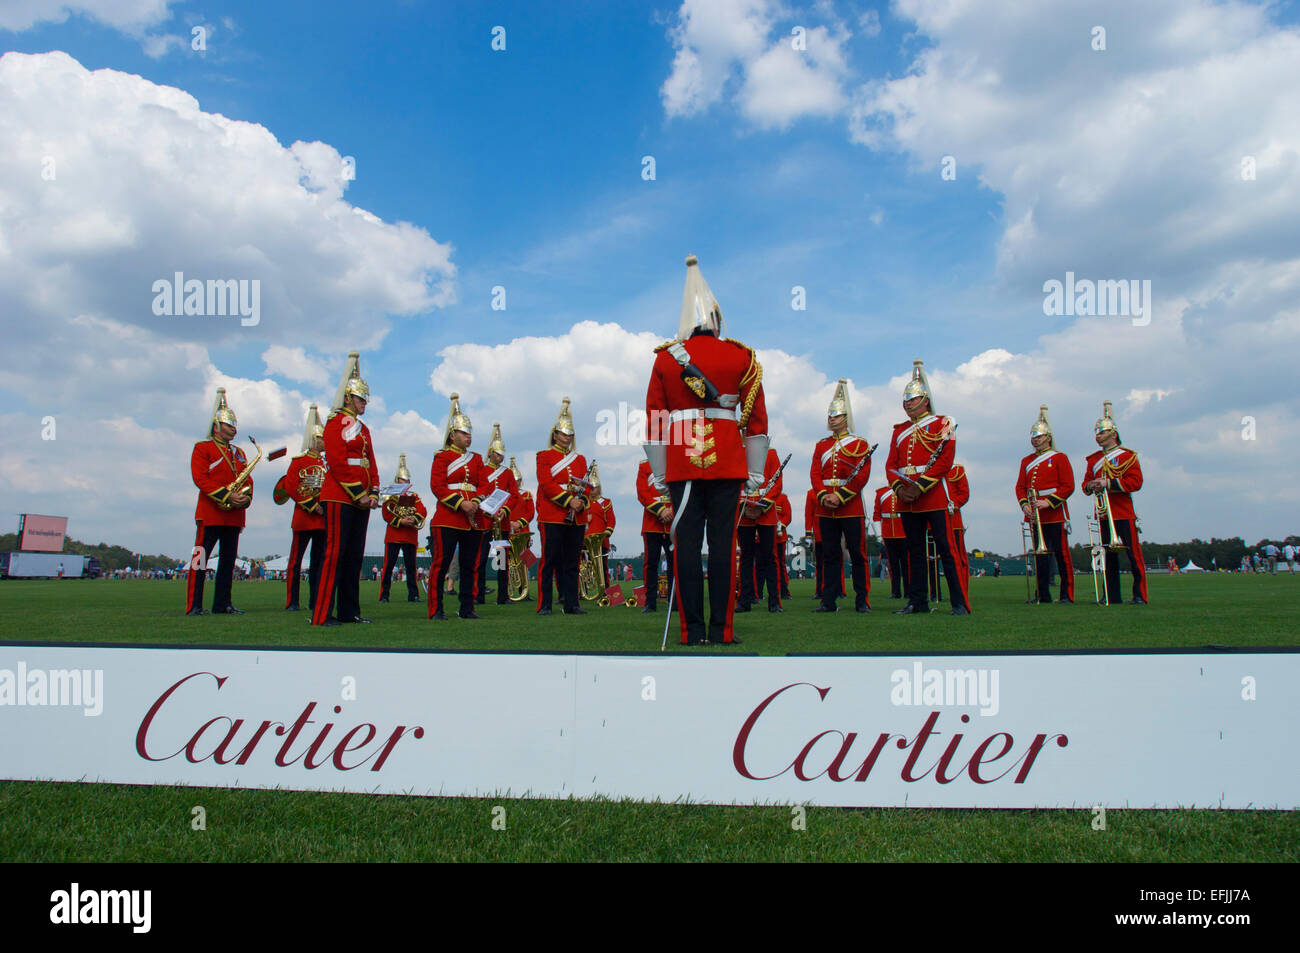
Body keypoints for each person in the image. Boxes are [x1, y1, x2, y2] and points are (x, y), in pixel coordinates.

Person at [645, 254, 767, 646]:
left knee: (686, 548)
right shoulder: (742, 356)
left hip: (681, 465)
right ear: (716, 319)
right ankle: (723, 631)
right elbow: (757, 422)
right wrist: (756, 475)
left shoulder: (666, 359)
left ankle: (690, 630)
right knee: (723, 548)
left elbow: (655, 421)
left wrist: (660, 475)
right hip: (729, 463)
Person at [885, 360, 969, 615]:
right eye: (906, 400)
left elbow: (945, 460)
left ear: (925, 400)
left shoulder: (941, 423)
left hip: (932, 495)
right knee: (915, 553)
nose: (908, 404)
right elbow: (891, 465)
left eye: (913, 399)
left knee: (946, 549)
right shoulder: (899, 431)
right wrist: (900, 489)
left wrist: (920, 486)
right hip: (906, 497)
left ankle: (959, 603)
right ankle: (917, 601)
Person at [312, 352, 380, 626]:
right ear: (348, 398)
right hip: (340, 496)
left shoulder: (363, 429)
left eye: (366, 399)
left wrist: (373, 492)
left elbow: (370, 462)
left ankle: (348, 611)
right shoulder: (334, 423)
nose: (364, 403)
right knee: (334, 555)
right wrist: (358, 493)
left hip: (361, 498)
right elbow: (338, 463)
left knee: (353, 557)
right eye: (360, 398)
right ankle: (321, 614)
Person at [186, 387, 253, 616]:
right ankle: (194, 604)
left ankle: (222, 603)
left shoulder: (240, 453)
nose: (233, 429)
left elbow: (248, 478)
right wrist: (226, 496)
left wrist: (245, 498)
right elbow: (200, 478)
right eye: (228, 425)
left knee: (227, 563)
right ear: (216, 426)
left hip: (233, 515)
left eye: (234, 426)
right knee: (200, 561)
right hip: (210, 513)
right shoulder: (202, 448)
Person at [812, 379, 873, 613]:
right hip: (826, 504)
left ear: (846, 418)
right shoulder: (821, 446)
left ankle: (862, 601)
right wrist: (824, 495)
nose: (831, 419)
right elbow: (815, 473)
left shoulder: (859, 444)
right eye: (830, 416)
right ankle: (828, 601)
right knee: (829, 555)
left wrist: (841, 496)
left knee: (857, 554)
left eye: (836, 416)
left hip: (850, 505)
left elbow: (862, 476)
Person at [1081, 400, 1147, 605]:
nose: (1097, 436)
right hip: (1103, 513)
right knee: (1108, 558)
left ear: (1113, 433)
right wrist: (1092, 485)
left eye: (1101, 433)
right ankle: (1111, 595)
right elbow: (1084, 485)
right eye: (1096, 433)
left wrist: (1108, 483)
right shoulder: (1093, 460)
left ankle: (1140, 595)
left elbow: (1136, 482)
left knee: (1134, 557)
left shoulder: (1127, 456)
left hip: (1123, 512)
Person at [428, 393, 486, 620]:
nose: (468, 437)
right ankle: (436, 609)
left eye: (470, 433)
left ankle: (467, 608)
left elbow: (483, 486)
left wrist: (475, 503)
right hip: (449, 516)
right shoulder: (442, 457)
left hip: (473, 518)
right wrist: (461, 503)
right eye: (463, 433)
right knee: (440, 564)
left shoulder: (477, 459)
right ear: (453, 435)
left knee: (470, 566)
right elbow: (437, 486)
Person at [536, 397, 591, 615]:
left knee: (572, 563)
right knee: (549, 561)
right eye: (563, 434)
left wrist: (580, 503)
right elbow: (546, 483)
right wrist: (569, 501)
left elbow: (586, 486)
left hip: (576, 516)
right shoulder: (544, 456)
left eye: (570, 435)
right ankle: (545, 604)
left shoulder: (580, 459)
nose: (567, 438)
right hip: (553, 514)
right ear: (555, 435)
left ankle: (571, 603)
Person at [1015, 405, 1075, 604]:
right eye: (1033, 436)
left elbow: (1068, 486)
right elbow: (1020, 487)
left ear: (1048, 437)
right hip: (1034, 514)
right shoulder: (1026, 461)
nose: (1035, 440)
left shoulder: (1059, 458)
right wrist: (1025, 505)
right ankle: (1042, 594)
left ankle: (1066, 594)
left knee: (1061, 555)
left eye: (1039, 436)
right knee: (1040, 556)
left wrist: (1048, 502)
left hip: (1054, 512)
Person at [280, 404, 327, 612]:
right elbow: (290, 486)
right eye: (322, 438)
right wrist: (311, 505)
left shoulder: (327, 464)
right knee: (295, 562)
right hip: (304, 516)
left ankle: (314, 599)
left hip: (322, 519)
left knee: (318, 562)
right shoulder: (299, 461)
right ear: (314, 439)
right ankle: (292, 601)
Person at [475, 424, 520, 606]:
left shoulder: (508, 473)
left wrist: (504, 511)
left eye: (502, 454)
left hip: (501, 522)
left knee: (502, 562)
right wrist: (488, 510)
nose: (500, 457)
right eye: (498, 454)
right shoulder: (482, 470)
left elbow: (514, 495)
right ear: (491, 453)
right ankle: (479, 595)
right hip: (485, 521)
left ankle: (502, 596)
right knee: (481, 560)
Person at [736, 446, 783, 613]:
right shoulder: (737, 451)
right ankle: (744, 600)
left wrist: (761, 507)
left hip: (766, 511)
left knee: (770, 558)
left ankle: (774, 601)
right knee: (746, 558)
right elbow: (734, 482)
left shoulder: (770, 453)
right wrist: (745, 505)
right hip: (744, 510)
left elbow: (777, 484)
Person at [379, 454, 427, 604]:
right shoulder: (390, 495)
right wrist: (400, 521)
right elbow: (386, 513)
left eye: (407, 480)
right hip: (394, 535)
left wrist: (414, 519)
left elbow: (422, 510)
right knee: (388, 567)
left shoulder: (414, 496)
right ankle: (384, 595)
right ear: (397, 480)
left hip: (410, 536)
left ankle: (413, 595)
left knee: (411, 568)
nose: (405, 482)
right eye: (402, 480)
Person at [636, 457, 674, 613]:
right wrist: (660, 510)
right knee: (651, 564)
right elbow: (642, 492)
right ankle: (650, 602)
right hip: (652, 522)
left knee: (675, 564)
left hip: (673, 521)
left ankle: (675, 601)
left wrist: (672, 509)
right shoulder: (645, 465)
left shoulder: (675, 461)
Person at [872, 485, 908, 599]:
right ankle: (895, 592)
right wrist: (879, 535)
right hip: (888, 533)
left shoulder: (906, 490)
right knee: (893, 565)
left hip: (904, 532)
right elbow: (876, 515)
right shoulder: (881, 493)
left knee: (907, 564)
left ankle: (909, 591)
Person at [775, 492, 793, 599]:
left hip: (779, 537)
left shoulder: (782, 497)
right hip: (763, 537)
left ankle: (784, 591)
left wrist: (780, 526)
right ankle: (758, 592)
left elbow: (788, 516)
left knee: (781, 565)